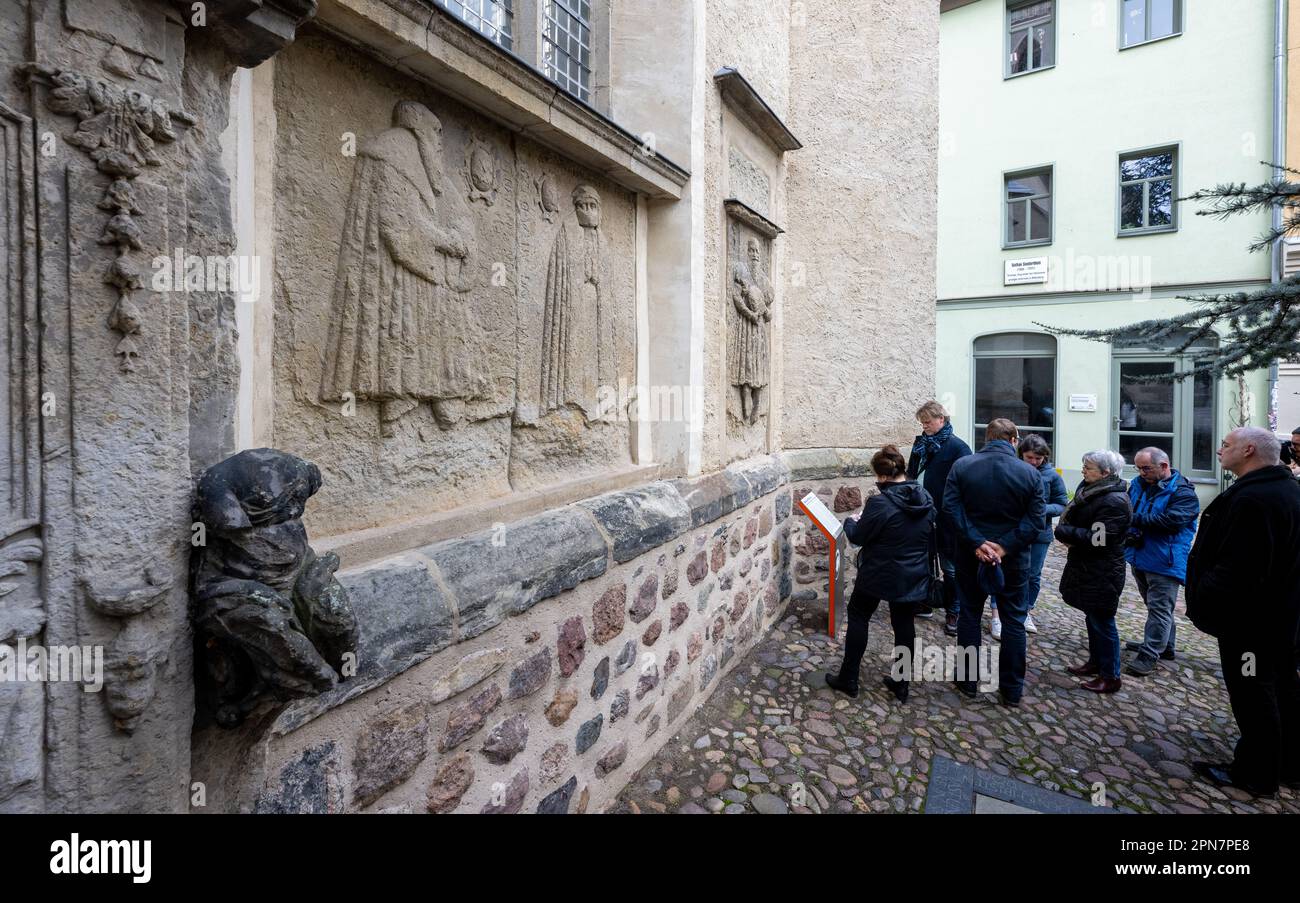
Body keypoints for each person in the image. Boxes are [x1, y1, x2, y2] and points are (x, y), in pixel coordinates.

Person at [1186, 427, 1300, 798]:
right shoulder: (1285, 489)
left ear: (1249, 450)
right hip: (1278, 617)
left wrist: (1204, 595)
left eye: (1226, 445)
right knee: (1279, 687)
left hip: (1251, 623)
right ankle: (1285, 764)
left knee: (1254, 693)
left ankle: (1255, 772)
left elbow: (1241, 568)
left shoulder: (1256, 499)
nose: (1219, 450)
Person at [943, 418, 1045, 706]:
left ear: (987, 438)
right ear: (1014, 440)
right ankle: (1011, 689)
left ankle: (967, 680)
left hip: (972, 553)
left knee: (970, 616)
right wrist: (1003, 547)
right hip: (1011, 558)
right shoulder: (1029, 473)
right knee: (1013, 621)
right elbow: (1035, 520)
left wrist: (977, 542)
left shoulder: (963, 466)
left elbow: (951, 509)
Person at [826, 446, 936, 704]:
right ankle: (901, 684)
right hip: (912, 572)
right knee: (904, 625)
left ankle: (849, 678)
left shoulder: (880, 502)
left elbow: (858, 536)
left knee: (859, 616)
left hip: (879, 570)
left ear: (885, 477)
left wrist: (851, 521)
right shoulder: (925, 497)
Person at [1056, 450, 1133, 694]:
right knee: (1093, 617)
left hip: (1103, 570)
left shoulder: (1113, 500)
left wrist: (1065, 532)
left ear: (1105, 473)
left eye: (1088, 467)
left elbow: (1099, 539)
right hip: (1089, 566)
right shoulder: (1093, 491)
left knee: (1103, 621)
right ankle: (1096, 662)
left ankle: (1111, 676)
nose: (1083, 471)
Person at [1121, 447, 1199, 677]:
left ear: (1164, 466)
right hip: (1140, 554)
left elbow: (1172, 521)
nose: (1141, 472)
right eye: (1138, 468)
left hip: (1165, 559)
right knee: (1155, 606)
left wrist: (1132, 519)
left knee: (1159, 609)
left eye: (1146, 468)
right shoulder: (1138, 483)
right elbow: (1129, 505)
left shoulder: (1183, 493)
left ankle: (1150, 652)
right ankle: (1165, 646)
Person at [993, 433, 1067, 640]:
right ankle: (997, 615)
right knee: (1003, 572)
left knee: (1032, 575)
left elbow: (1061, 503)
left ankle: (1024, 611)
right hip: (1012, 531)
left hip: (1039, 533)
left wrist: (1040, 509)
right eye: (1030, 458)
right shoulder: (1012, 469)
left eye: (1038, 458)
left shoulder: (1051, 475)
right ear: (1021, 454)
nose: (1034, 462)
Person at [906, 401, 972, 632]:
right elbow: (911, 475)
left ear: (941, 419)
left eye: (928, 421)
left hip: (946, 518)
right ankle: (925, 601)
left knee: (950, 567)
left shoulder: (958, 448)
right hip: (920, 514)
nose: (924, 426)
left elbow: (965, 487)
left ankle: (954, 610)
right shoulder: (921, 444)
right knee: (922, 562)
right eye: (922, 422)